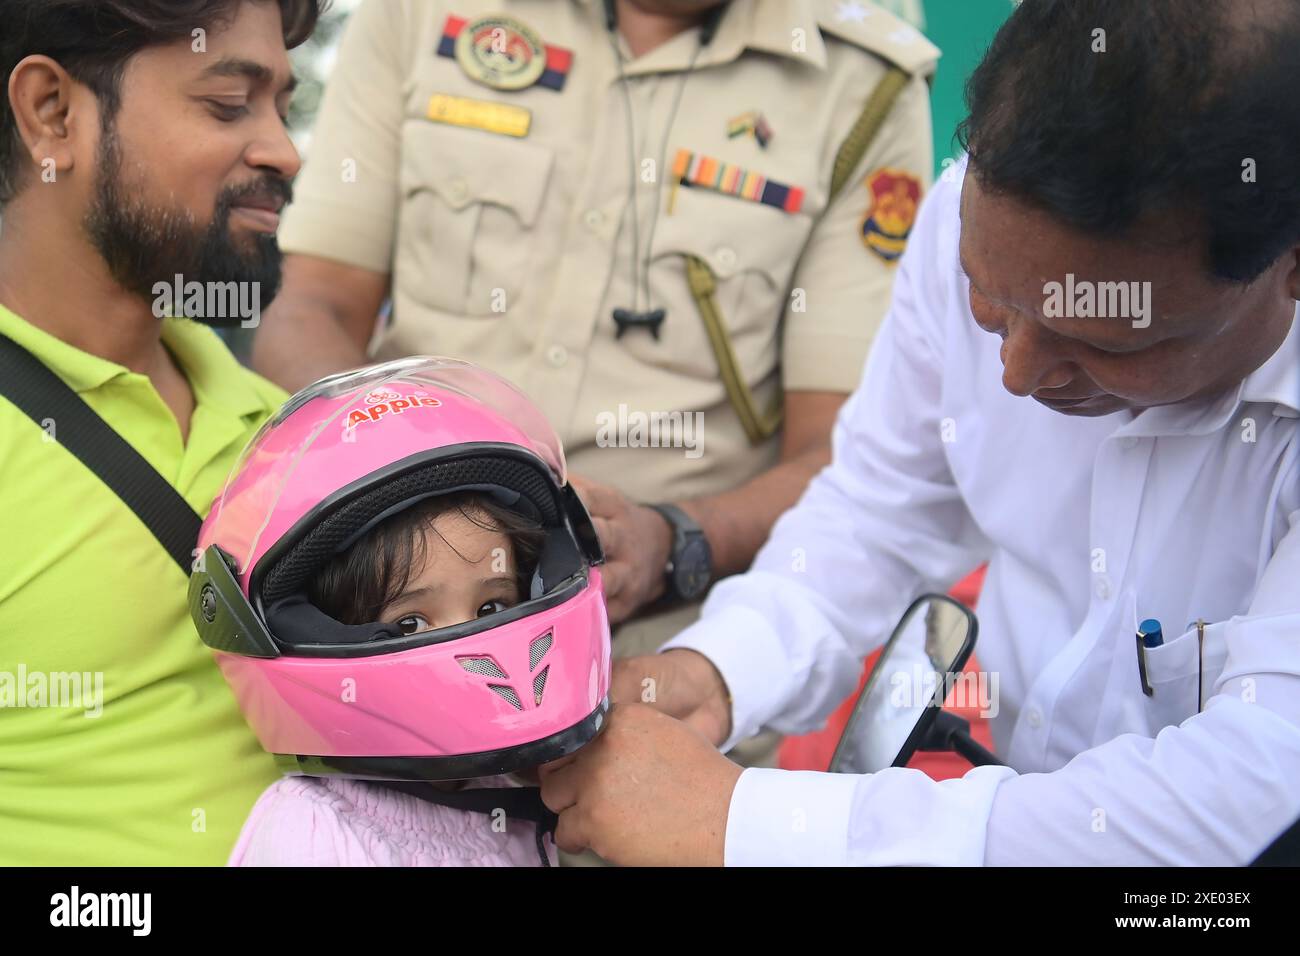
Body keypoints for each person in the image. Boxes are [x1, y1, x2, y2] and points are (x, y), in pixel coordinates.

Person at [539, 0, 1300, 866]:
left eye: (1101, 340)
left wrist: (745, 823)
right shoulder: (974, 225)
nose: (1016, 373)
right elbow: (877, 512)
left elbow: (1247, 790)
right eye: (991, 302)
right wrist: (719, 672)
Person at [250, 2, 942, 768]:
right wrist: (408, 482)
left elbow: (851, 463)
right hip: (383, 673)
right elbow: (310, 306)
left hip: (654, 694)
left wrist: (677, 542)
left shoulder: (860, 79)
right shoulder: (422, 12)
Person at [0, 0, 324, 864]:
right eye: (227, 105)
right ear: (52, 114)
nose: (285, 153)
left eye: (284, 109)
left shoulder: (287, 430)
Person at [192, 359, 611, 866]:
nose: (472, 644)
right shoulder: (311, 838)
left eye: (491, 605)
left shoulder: (505, 785)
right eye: (410, 622)